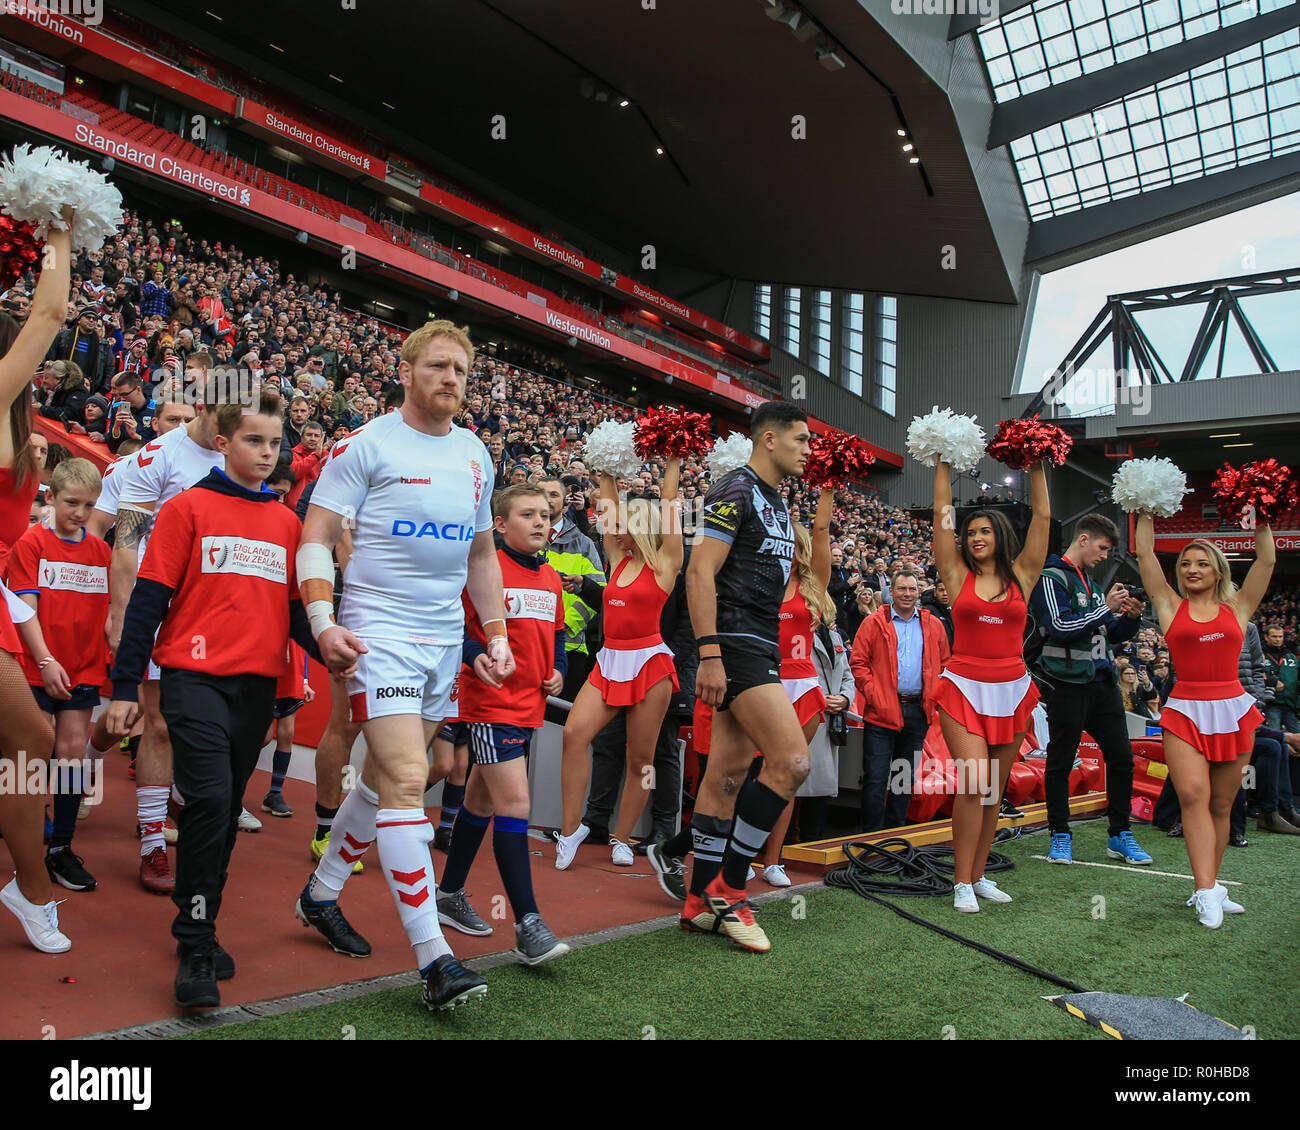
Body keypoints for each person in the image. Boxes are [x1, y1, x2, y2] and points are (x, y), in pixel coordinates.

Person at [294, 319, 513, 1012]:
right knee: (411, 779)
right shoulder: (366, 444)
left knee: (389, 778)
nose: (451, 380)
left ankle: (320, 893)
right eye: (439, 366)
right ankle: (435, 959)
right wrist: (324, 623)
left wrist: (498, 634)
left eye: (461, 372)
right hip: (376, 632)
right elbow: (316, 538)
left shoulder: (477, 452)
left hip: (443, 638)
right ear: (408, 367)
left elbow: (481, 555)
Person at [106, 390, 326, 1007]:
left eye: (275, 443)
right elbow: (148, 599)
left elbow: (293, 616)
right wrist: (125, 686)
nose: (266, 452)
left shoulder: (287, 523)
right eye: (253, 440)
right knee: (207, 799)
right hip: (191, 678)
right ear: (223, 442)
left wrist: (331, 642)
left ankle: (200, 917)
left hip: (256, 687)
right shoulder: (186, 508)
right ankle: (196, 939)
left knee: (224, 811)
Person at [678, 401, 811, 953]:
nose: (808, 450)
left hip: (759, 645)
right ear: (770, 439)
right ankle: (730, 891)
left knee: (729, 774)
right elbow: (699, 571)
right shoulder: (735, 489)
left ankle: (695, 902)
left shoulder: (779, 502)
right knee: (791, 761)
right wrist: (709, 653)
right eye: (800, 440)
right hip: (734, 647)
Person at [433, 483, 570, 964]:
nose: (541, 522)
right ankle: (528, 923)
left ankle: (448, 894)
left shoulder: (551, 578)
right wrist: (475, 660)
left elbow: (556, 637)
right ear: (499, 525)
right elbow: (458, 632)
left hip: (529, 706)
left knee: (481, 799)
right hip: (490, 706)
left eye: (546, 515)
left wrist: (559, 672)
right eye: (528, 514)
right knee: (516, 801)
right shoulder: (483, 571)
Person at [1134, 521, 1274, 928]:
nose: (1191, 570)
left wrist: (1262, 518)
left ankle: (1210, 884)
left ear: (1218, 571)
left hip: (1233, 710)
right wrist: (1144, 510)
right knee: (1193, 795)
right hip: (1185, 712)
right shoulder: (1168, 605)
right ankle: (1206, 890)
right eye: (1185, 564)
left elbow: (1266, 559)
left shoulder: (1238, 607)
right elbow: (1145, 554)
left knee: (1222, 804)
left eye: (1201, 564)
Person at [931, 456, 1050, 912]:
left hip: (1014, 688)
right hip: (963, 686)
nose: (976, 538)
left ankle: (978, 876)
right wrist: (942, 462)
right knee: (974, 781)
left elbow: (1042, 517)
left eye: (985, 531)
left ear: (1000, 535)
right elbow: (943, 514)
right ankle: (961, 881)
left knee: (993, 792)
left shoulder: (1023, 574)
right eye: (971, 532)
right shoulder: (956, 574)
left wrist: (1036, 464)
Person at [0, 211, 73, 954]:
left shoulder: (19, 428)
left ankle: (29, 887)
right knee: (29, 737)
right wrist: (61, 223)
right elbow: (50, 310)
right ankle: (32, 887)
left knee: (27, 741)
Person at [555, 456, 683, 866]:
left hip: (649, 663)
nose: (614, 528)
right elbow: (606, 507)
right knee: (575, 734)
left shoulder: (666, 564)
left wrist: (674, 460)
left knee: (640, 758)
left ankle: (623, 838)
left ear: (641, 525)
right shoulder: (616, 556)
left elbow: (669, 502)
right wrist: (606, 468)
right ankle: (571, 829)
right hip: (609, 660)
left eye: (625, 523)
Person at [5, 458, 111, 894]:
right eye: (71, 503)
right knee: (27, 754)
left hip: (83, 668)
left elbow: (105, 614)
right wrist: (46, 661)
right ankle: (25, 846)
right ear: (50, 497)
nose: (81, 514)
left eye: (89, 505)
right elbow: (24, 610)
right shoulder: (31, 543)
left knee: (70, 751)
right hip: (35, 665)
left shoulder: (101, 552)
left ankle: (60, 847)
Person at [1028, 513, 1152, 866]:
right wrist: (1104, 609)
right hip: (1066, 683)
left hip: (1101, 682)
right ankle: (1060, 834)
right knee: (1061, 760)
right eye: (1102, 548)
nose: (1104, 556)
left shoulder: (1092, 583)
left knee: (1122, 759)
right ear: (1083, 539)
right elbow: (1060, 627)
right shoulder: (1051, 578)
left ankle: (1120, 834)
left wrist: (1129, 617)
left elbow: (1108, 635)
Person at [756, 506, 835, 884]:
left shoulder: (812, 585)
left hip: (802, 686)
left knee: (787, 774)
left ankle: (773, 860)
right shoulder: (759, 582)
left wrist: (828, 486)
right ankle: (739, 852)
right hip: (763, 683)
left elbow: (822, 531)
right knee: (749, 773)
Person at [850, 566, 951, 832]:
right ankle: (870, 838)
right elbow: (859, 663)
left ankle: (896, 837)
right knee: (875, 779)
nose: (907, 594)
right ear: (891, 592)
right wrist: (875, 694)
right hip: (882, 712)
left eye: (912, 589)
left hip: (918, 711)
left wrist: (934, 696)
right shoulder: (873, 623)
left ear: (919, 592)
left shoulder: (934, 625)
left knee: (903, 779)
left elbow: (944, 665)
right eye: (902, 589)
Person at [1262, 623, 1299, 734]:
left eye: (1280, 636)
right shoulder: (1260, 654)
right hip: (1271, 705)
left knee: (1297, 736)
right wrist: (1272, 681)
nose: (1278, 639)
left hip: (1291, 704)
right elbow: (1253, 674)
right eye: (1274, 636)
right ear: (1266, 637)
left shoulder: (1291, 657)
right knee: (1276, 736)